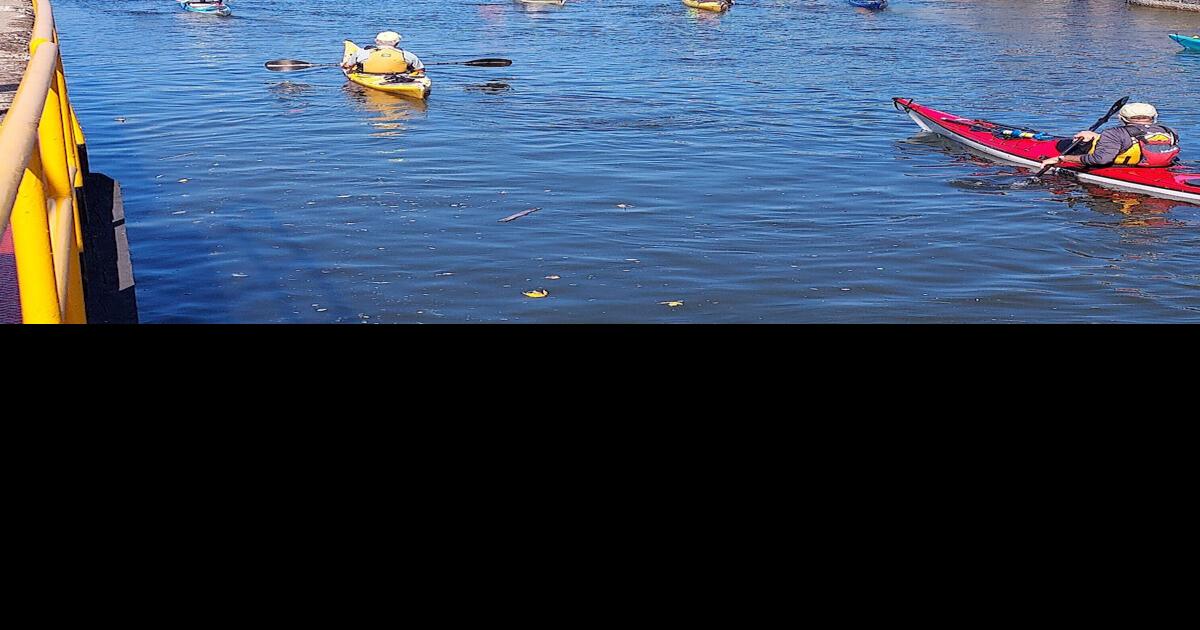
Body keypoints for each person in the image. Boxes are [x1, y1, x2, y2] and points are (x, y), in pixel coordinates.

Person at [1041, 103, 1180, 170]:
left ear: (1121, 119)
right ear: (1154, 117)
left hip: (1124, 168)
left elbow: (1101, 160)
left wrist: (1062, 158)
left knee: (1064, 144)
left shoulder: (1114, 133)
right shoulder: (1169, 131)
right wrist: (1098, 137)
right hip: (1159, 166)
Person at [341, 32, 425, 75]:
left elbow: (348, 66)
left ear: (377, 41)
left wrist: (344, 65)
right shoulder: (407, 55)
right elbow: (420, 70)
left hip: (369, 77)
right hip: (399, 78)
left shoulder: (362, 53)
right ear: (397, 43)